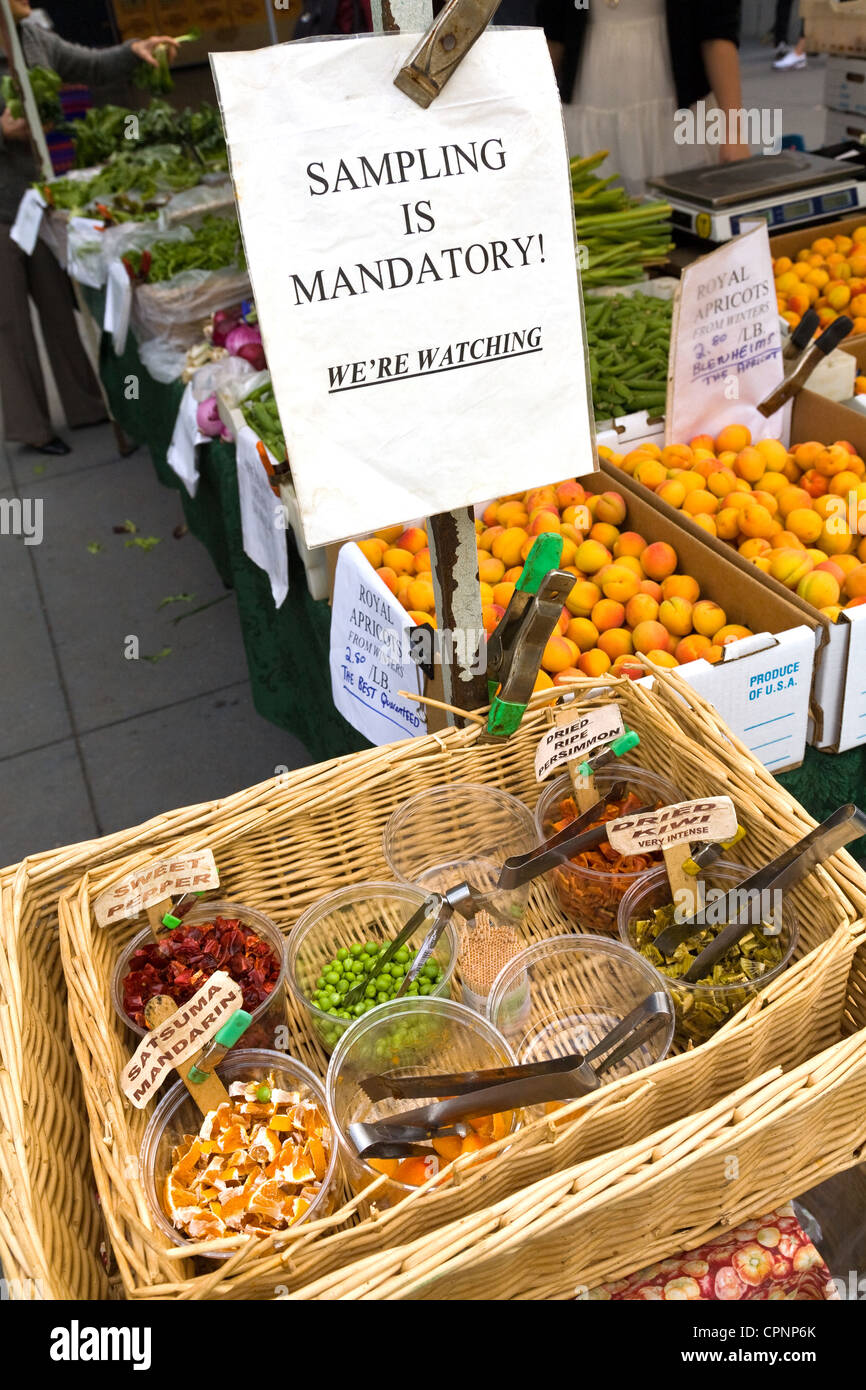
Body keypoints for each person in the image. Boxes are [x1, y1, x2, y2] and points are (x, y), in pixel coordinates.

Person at [0, 1, 178, 454]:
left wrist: (137, 49)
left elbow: (90, 65)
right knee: (9, 324)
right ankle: (32, 428)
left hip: (40, 198)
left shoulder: (33, 38)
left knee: (61, 305)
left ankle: (86, 406)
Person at [540, 0, 748, 195]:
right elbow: (553, 31)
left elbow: (718, 30)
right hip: (587, 104)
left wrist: (734, 131)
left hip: (675, 110)